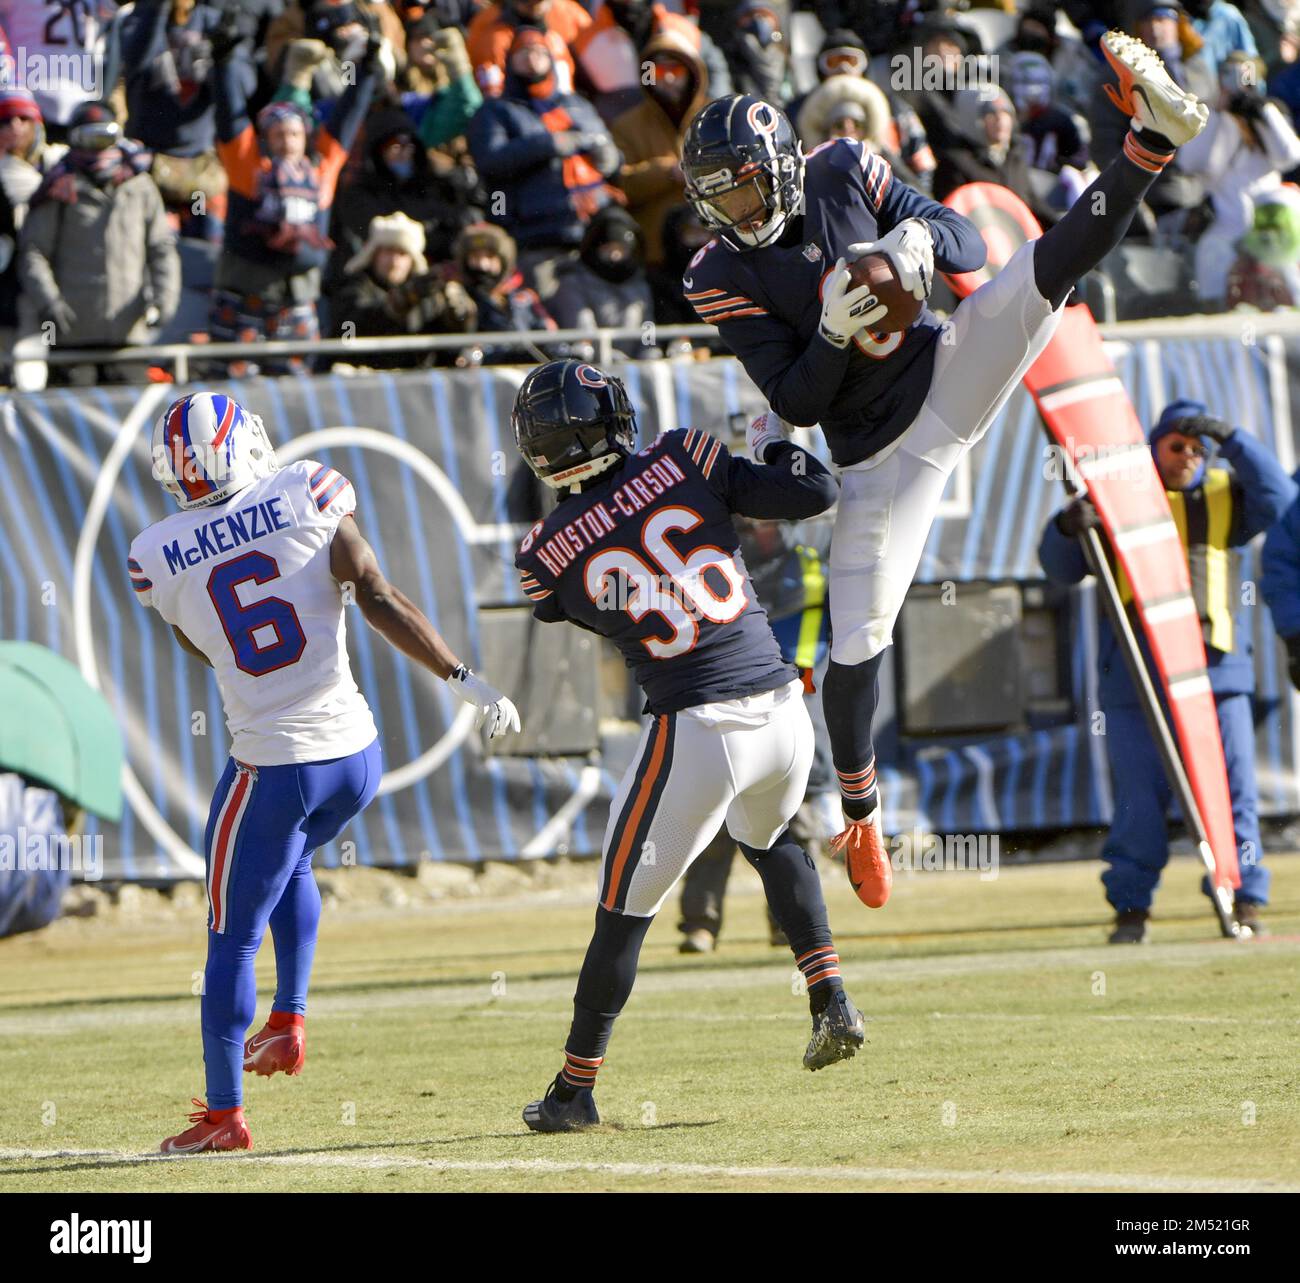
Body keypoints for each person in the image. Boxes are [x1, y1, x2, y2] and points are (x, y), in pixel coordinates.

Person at [679, 33, 1211, 908]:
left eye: (740, 185)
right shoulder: (717, 271)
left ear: (778, 166)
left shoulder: (843, 165)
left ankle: (1149, 142)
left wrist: (915, 245)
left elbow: (966, 241)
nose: (733, 210)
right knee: (855, 641)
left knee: (1044, 275)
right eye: (716, 197)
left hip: (948, 370)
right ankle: (862, 813)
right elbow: (797, 397)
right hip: (881, 461)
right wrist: (833, 329)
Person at [129, 391, 521, 1153]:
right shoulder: (305, 490)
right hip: (355, 757)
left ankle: (222, 1116)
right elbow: (373, 591)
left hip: (274, 766)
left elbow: (200, 646)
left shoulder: (157, 552)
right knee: (295, 861)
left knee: (228, 938)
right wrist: (462, 677)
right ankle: (287, 1022)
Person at [512, 364, 862, 1132]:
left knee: (621, 914)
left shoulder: (544, 554)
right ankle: (829, 993)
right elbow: (815, 493)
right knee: (771, 842)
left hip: (697, 727)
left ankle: (573, 1091)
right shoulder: (685, 457)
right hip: (780, 709)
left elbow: (567, 600)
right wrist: (773, 447)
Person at [1039, 402, 1294, 941]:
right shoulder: (1113, 496)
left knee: (1232, 796)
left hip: (1215, 671)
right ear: (1152, 447)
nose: (1188, 457)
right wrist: (1068, 528)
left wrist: (1235, 437)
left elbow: (1281, 498)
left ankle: (1244, 899)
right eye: (1177, 445)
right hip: (1136, 674)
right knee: (1138, 801)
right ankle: (1131, 910)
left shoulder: (1227, 493)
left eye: (1199, 448)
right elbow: (1060, 570)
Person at [209, 19, 377, 372]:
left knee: (297, 392)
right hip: (245, 298)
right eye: (279, 134)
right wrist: (223, 61)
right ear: (267, 139)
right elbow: (229, 118)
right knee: (234, 387)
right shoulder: (250, 168)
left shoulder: (320, 170)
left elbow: (348, 117)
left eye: (295, 134)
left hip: (299, 299)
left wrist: (369, 70)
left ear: (306, 138)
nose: (287, 141)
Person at [17, 101, 180, 380]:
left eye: (104, 137)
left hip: (129, 334)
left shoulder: (139, 185)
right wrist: (50, 302)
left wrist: (165, 300)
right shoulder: (58, 187)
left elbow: (161, 248)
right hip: (73, 337)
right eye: (89, 138)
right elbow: (34, 251)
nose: (98, 148)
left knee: (134, 416)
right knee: (71, 419)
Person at [466, 25, 621, 301]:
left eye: (539, 51)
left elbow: (610, 154)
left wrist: (609, 157)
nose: (532, 58)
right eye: (523, 52)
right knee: (561, 321)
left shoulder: (576, 104)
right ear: (509, 62)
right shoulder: (497, 110)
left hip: (593, 233)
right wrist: (548, 144)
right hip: (537, 236)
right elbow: (491, 160)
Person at [1178, 52, 1300, 307]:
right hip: (1227, 225)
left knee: (1288, 282)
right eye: (1230, 75)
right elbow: (1191, 163)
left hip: (1269, 225)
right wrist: (1217, 114)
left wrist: (1261, 109)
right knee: (1212, 267)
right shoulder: (1211, 116)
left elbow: (1290, 155)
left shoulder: (1268, 113)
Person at [609, 30, 711, 272]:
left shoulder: (715, 116)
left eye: (676, 70)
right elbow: (623, 186)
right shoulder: (626, 125)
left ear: (692, 72)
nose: (668, 79)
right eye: (659, 71)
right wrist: (668, 172)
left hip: (713, 250)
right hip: (657, 259)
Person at [330, 210, 476, 364]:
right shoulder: (355, 284)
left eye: (402, 253)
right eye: (388, 251)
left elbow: (449, 347)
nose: (394, 261)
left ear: (413, 260)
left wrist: (460, 316)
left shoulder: (428, 291)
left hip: (414, 380)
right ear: (373, 253)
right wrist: (398, 302)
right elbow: (349, 329)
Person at [572, 0, 730, 124]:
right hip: (630, 142)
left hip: (688, 130)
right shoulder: (587, 39)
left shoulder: (679, 28)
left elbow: (714, 65)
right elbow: (579, 93)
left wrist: (716, 109)